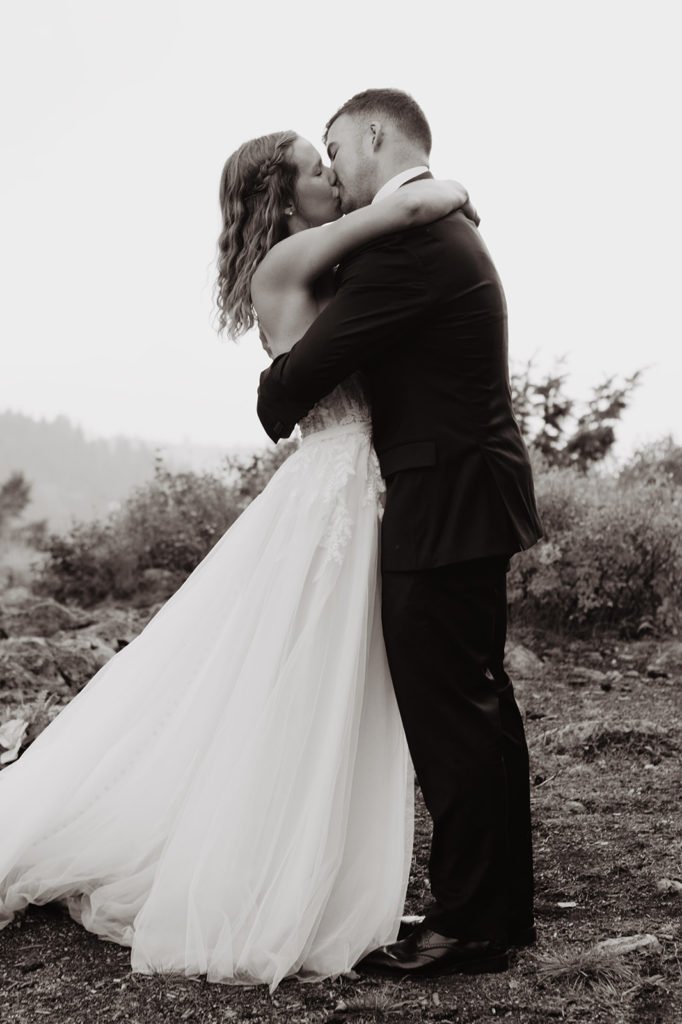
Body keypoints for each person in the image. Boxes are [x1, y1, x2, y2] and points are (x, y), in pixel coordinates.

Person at [0, 128, 473, 990]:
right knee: (307, 686)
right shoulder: (293, 256)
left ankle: (318, 874)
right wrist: (454, 192)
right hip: (338, 487)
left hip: (350, 486)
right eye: (315, 165)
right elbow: (413, 200)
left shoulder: (306, 258)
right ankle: (275, 881)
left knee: (332, 684)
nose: (333, 175)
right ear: (285, 193)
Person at [257, 89, 544, 977]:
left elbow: (298, 380)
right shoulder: (429, 228)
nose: (334, 171)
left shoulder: (414, 242)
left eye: (336, 149)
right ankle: (494, 912)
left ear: (374, 134)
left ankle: (468, 923)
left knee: (452, 713)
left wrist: (274, 383)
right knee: (477, 706)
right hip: (463, 490)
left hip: (441, 498)